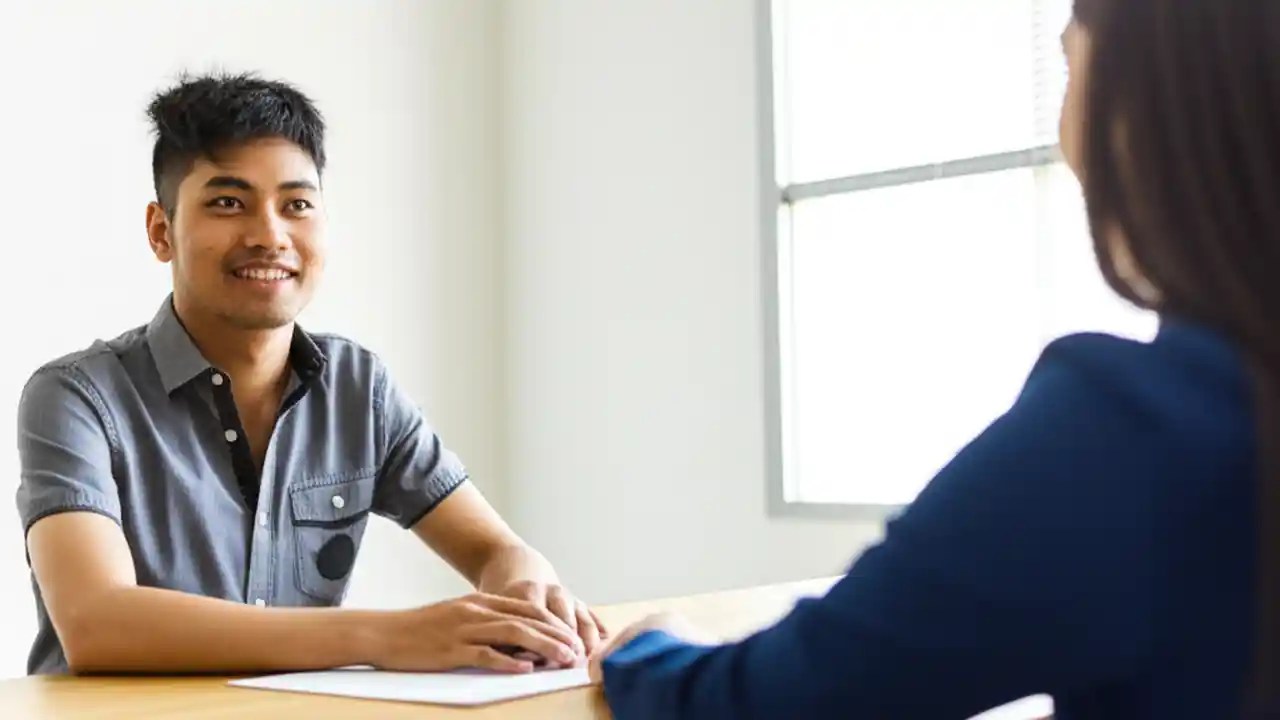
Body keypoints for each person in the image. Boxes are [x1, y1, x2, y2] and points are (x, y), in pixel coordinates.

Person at [590, 0, 1280, 717]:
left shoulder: (1130, 435)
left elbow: (785, 699)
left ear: (1143, 103)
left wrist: (649, 650)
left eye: (1070, 63)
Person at [16, 72, 605, 676]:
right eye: (227, 203)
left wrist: (529, 600)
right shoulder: (77, 398)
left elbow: (500, 551)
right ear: (161, 231)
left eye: (296, 205)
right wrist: (386, 636)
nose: (270, 235)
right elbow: (97, 623)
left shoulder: (358, 388)